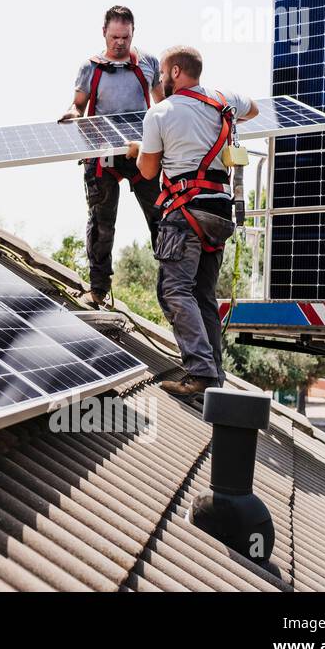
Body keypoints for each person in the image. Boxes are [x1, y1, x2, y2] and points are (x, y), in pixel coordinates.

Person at [129, 45, 258, 397]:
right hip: (220, 212)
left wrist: (138, 150)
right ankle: (213, 376)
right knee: (202, 295)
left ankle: (199, 372)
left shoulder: (161, 113)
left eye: (163, 75)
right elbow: (255, 108)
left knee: (173, 291)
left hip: (184, 214)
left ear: (173, 73)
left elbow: (148, 171)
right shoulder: (223, 99)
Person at [60, 5, 164, 309]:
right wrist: (72, 113)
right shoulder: (90, 67)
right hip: (102, 152)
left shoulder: (148, 63)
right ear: (104, 32)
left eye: (126, 37)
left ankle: (173, 284)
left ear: (133, 33)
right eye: (115, 36)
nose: (120, 42)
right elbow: (78, 105)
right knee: (102, 223)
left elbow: (163, 105)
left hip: (140, 150)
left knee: (160, 216)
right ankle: (98, 290)